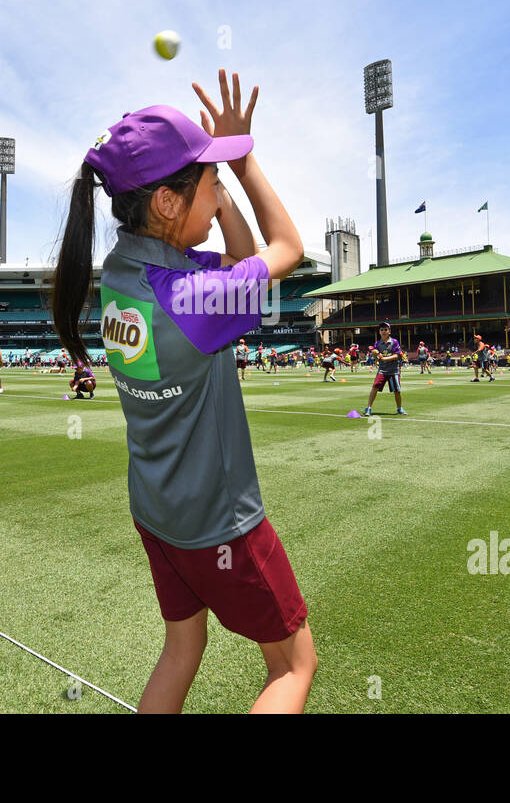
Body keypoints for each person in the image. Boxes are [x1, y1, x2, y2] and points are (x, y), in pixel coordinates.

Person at [49, 72, 315, 713]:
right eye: (208, 184)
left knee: (181, 649)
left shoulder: (126, 270)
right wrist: (244, 159)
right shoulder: (192, 300)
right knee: (291, 665)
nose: (219, 192)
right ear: (168, 203)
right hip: (218, 522)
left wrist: (216, 194)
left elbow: (237, 259)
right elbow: (288, 248)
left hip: (158, 513)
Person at [363, 321, 406, 415]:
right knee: (375, 387)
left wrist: (385, 358)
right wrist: (376, 354)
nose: (383, 331)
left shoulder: (394, 342)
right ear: (379, 332)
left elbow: (396, 355)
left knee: (397, 391)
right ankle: (369, 408)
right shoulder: (378, 343)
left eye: (385, 329)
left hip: (394, 370)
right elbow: (375, 352)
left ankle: (399, 408)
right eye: (381, 330)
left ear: (389, 331)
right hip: (382, 370)